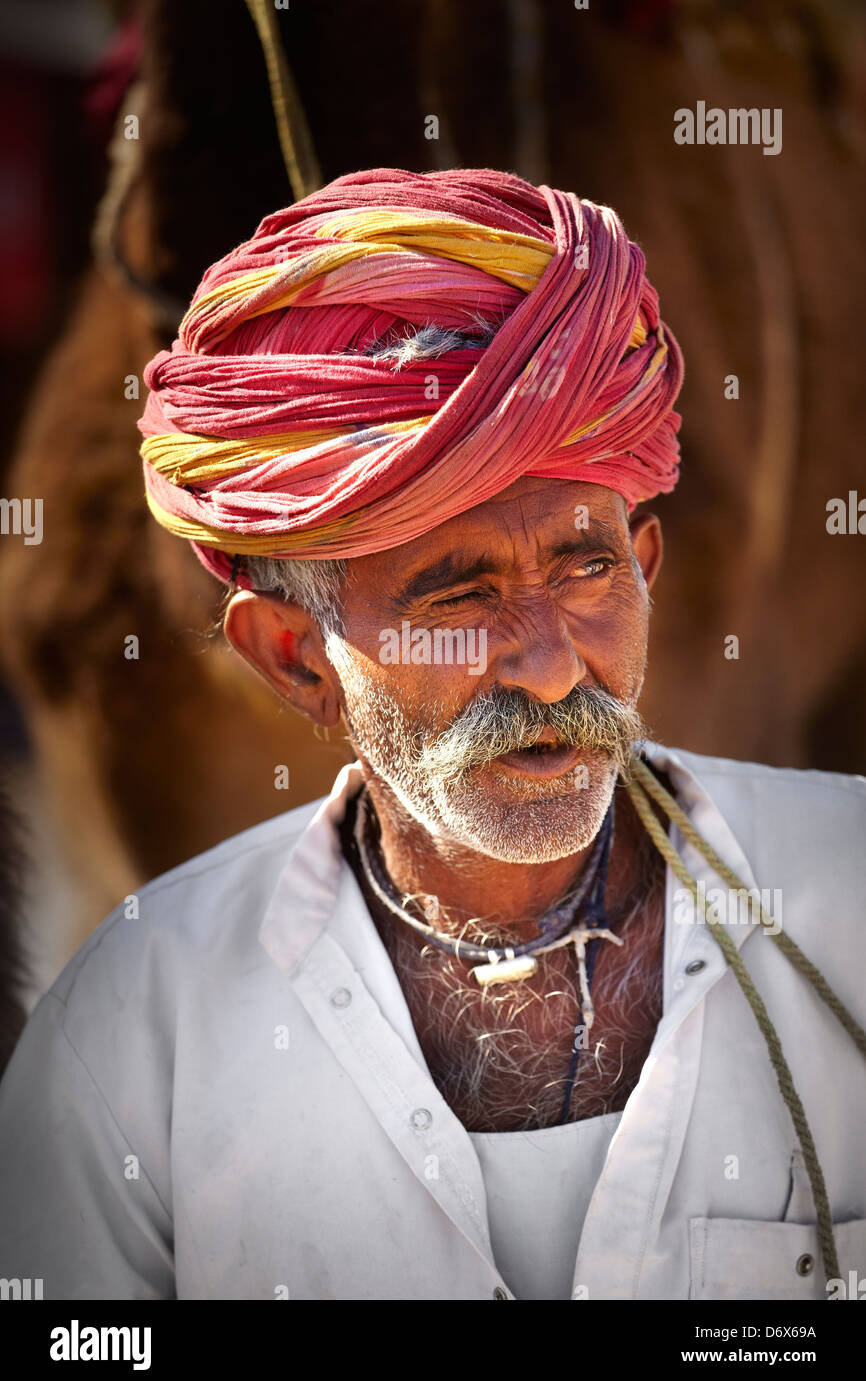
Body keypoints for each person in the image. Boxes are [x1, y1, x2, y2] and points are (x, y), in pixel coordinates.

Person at [0, 168, 863, 1302]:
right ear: (294, 659)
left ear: (644, 570)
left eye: (585, 565)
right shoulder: (130, 1032)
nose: (550, 664)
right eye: (458, 598)